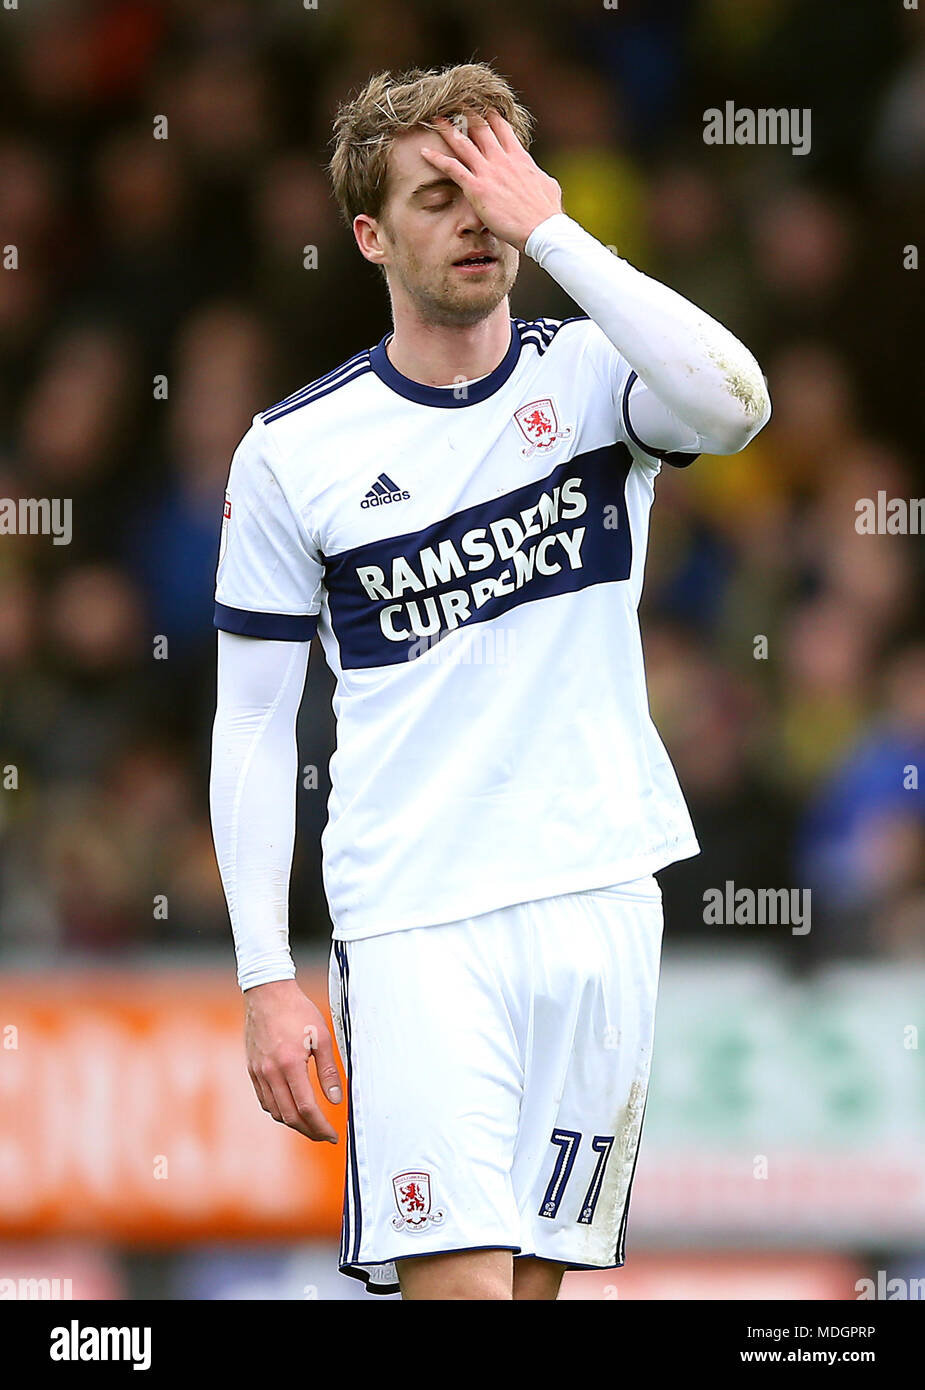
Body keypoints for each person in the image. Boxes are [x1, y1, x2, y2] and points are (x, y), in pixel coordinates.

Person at [209, 61, 771, 1301]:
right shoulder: (295, 453)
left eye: (495, 187)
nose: (477, 220)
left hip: (598, 891)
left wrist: (557, 231)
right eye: (435, 195)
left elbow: (736, 406)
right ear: (368, 235)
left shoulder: (591, 377)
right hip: (417, 913)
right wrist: (263, 974)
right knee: (459, 1290)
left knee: (531, 1290)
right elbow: (250, 721)